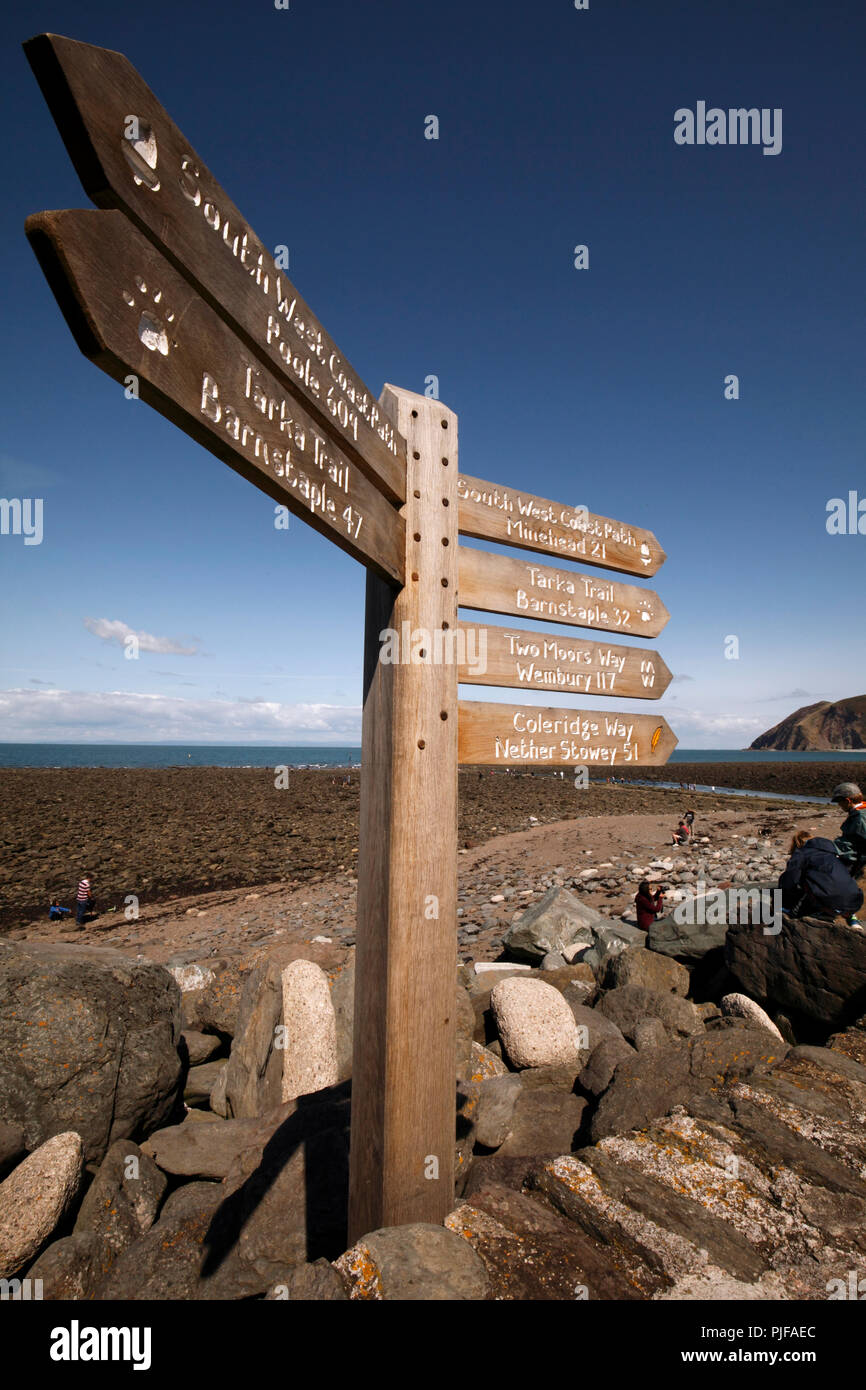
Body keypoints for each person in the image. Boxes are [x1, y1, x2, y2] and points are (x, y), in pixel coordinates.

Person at [779, 829, 863, 925]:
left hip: (829, 901)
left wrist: (785, 898)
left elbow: (790, 879)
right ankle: (852, 918)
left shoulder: (802, 854)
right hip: (855, 901)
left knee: (806, 880)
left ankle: (821, 912)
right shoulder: (833, 855)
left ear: (797, 844)